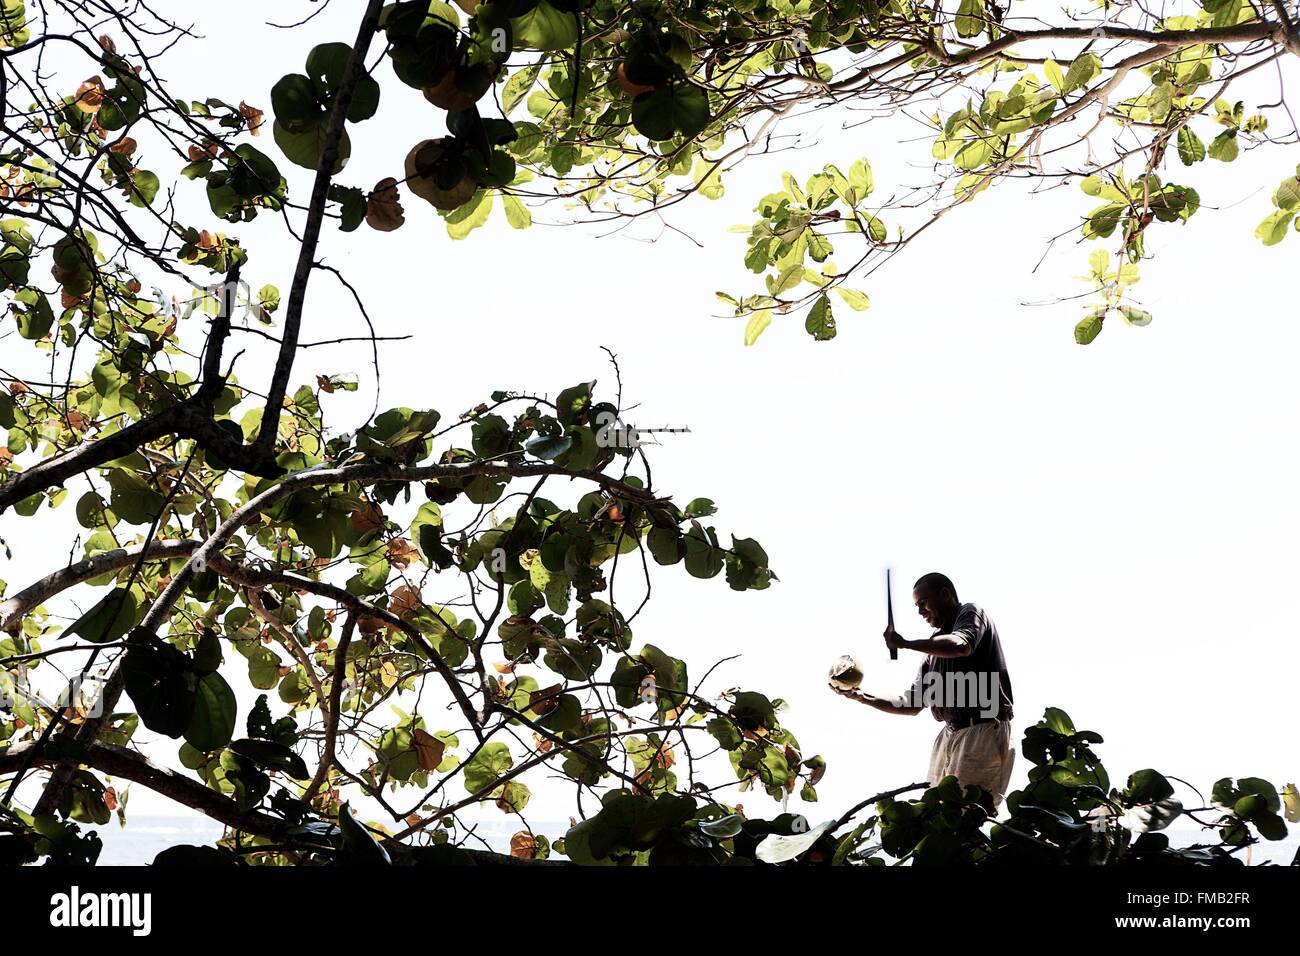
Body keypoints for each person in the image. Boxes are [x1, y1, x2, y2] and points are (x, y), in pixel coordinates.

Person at [829, 572, 1016, 808]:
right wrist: (860, 696)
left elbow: (961, 645)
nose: (920, 612)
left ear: (945, 594)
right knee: (934, 815)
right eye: (917, 606)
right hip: (950, 734)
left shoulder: (970, 613)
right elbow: (911, 704)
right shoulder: (932, 653)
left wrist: (905, 644)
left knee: (967, 816)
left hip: (983, 730)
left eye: (923, 602)